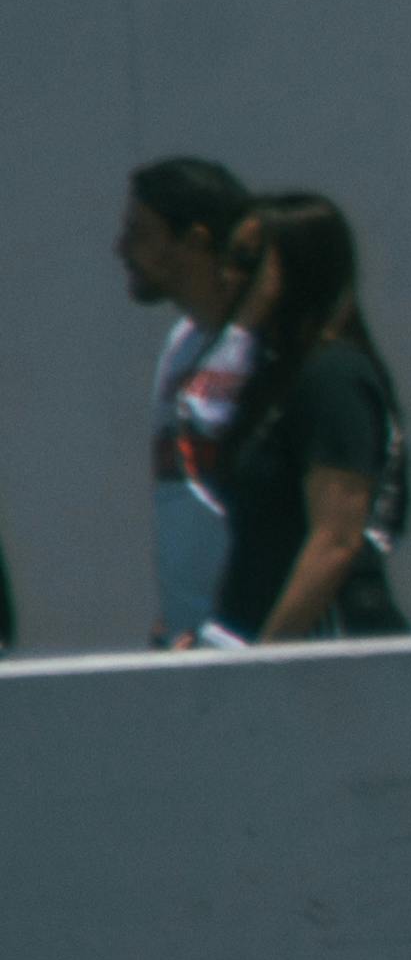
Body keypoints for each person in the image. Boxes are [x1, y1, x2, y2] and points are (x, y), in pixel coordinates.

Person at [200, 188, 408, 645]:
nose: (225, 276)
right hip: (255, 640)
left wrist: (267, 663)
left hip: (328, 652)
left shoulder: (332, 376)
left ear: (296, 273)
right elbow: (196, 424)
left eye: (247, 262)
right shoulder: (271, 378)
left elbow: (336, 540)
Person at [118, 154, 255, 648]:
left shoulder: (263, 352)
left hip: (248, 639)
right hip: (188, 640)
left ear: (195, 241)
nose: (121, 250)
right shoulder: (180, 346)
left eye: (139, 233)